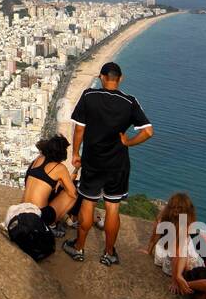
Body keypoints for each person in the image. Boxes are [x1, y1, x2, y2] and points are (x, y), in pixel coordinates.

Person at [62, 61, 152, 267]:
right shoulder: (130, 102)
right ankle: (109, 253)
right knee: (113, 208)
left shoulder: (88, 96)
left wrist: (75, 153)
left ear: (101, 77)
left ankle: (78, 248)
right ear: (120, 79)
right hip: (118, 164)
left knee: (88, 203)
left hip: (93, 161)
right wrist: (128, 141)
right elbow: (148, 131)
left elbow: (79, 130)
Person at [23, 134, 79, 238]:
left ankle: (53, 224)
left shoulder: (38, 159)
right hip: (40, 215)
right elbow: (72, 192)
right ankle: (50, 225)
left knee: (52, 190)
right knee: (73, 194)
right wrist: (76, 169)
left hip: (22, 210)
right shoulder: (59, 168)